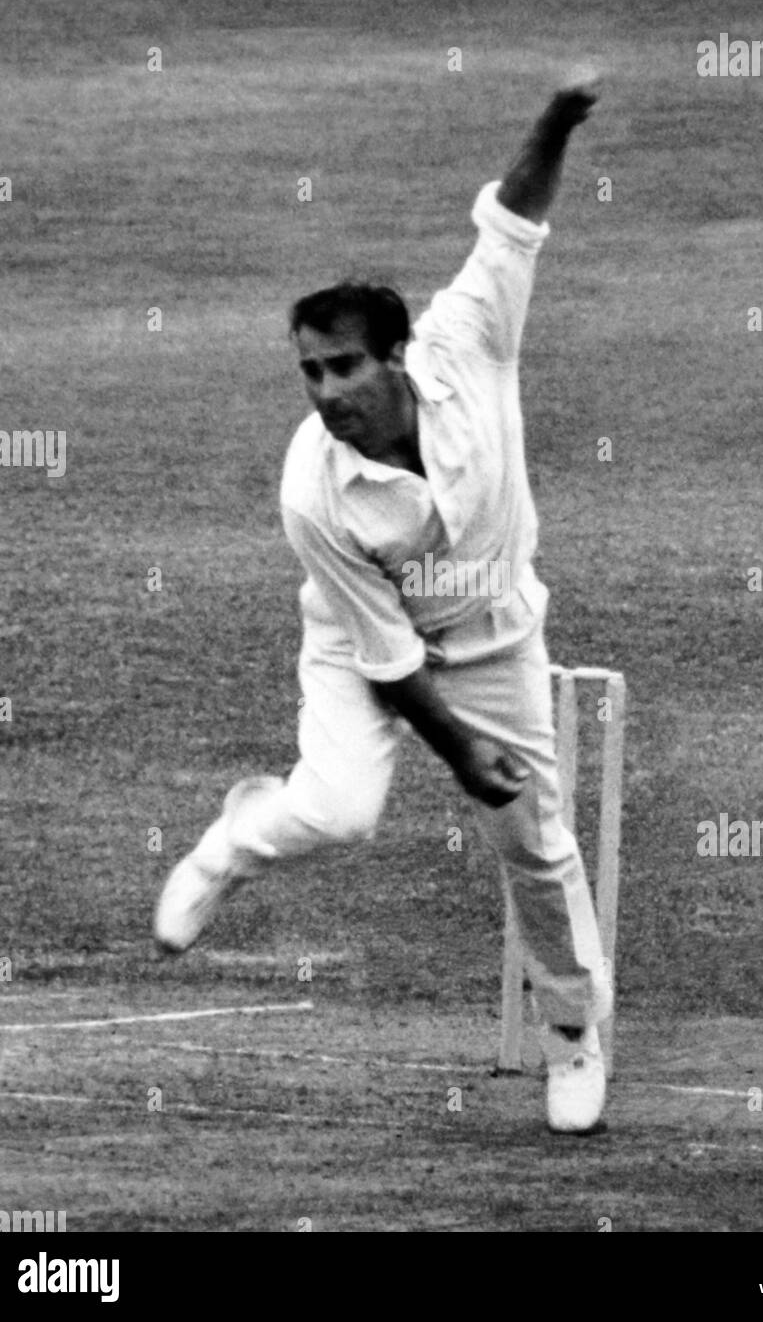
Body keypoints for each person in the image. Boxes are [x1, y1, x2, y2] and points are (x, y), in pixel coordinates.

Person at [155, 72, 614, 1133]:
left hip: (498, 636)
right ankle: (229, 844)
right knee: (338, 812)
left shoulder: (469, 338)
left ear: (397, 355)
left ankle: (573, 1037)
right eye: (309, 373)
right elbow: (391, 663)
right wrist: (458, 751)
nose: (324, 394)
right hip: (372, 651)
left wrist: (556, 118)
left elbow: (514, 216)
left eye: (343, 368)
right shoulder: (310, 490)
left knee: (534, 841)